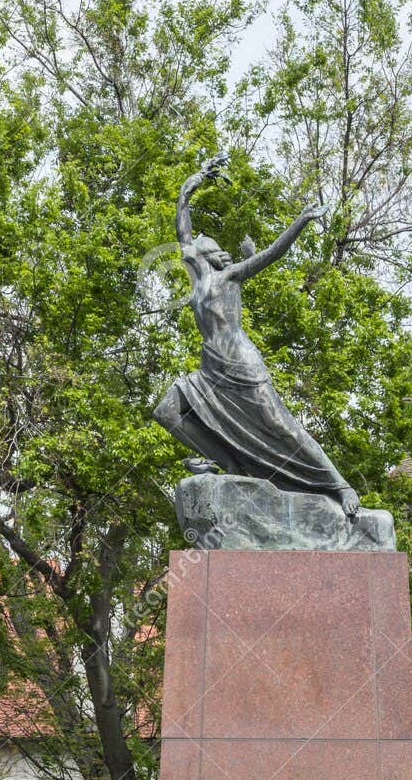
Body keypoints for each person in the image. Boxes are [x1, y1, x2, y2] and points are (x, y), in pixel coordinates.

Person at [153, 153, 361, 519]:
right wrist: (199, 178)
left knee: (280, 425)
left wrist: (300, 222)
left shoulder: (231, 276)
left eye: (205, 242)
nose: (199, 242)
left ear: (213, 254)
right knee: (168, 411)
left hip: (241, 364)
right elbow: (181, 217)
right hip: (211, 367)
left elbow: (271, 253)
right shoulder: (199, 277)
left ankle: (338, 484)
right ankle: (233, 468)